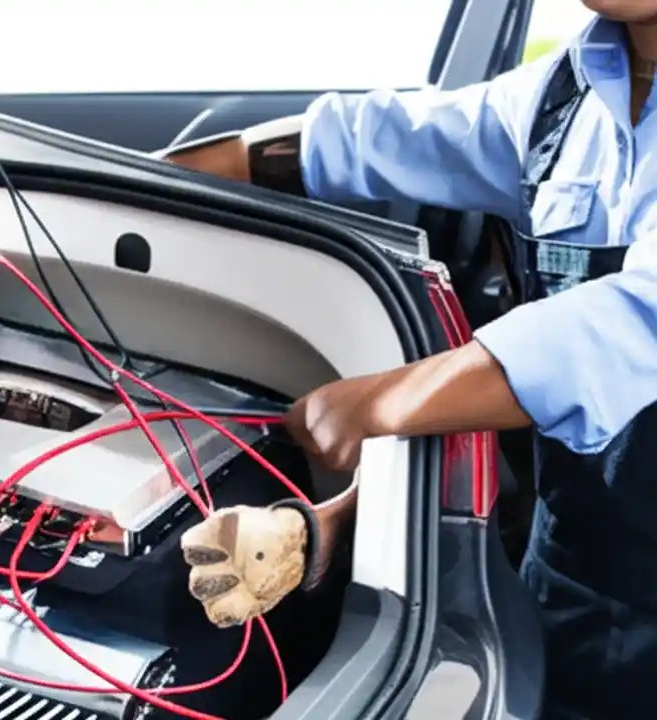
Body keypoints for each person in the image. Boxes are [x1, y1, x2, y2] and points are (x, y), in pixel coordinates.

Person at [169, 3, 657, 718]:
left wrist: (378, 402)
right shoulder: (562, 97)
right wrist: (140, 187)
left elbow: (631, 325)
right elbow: (376, 139)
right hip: (572, 573)